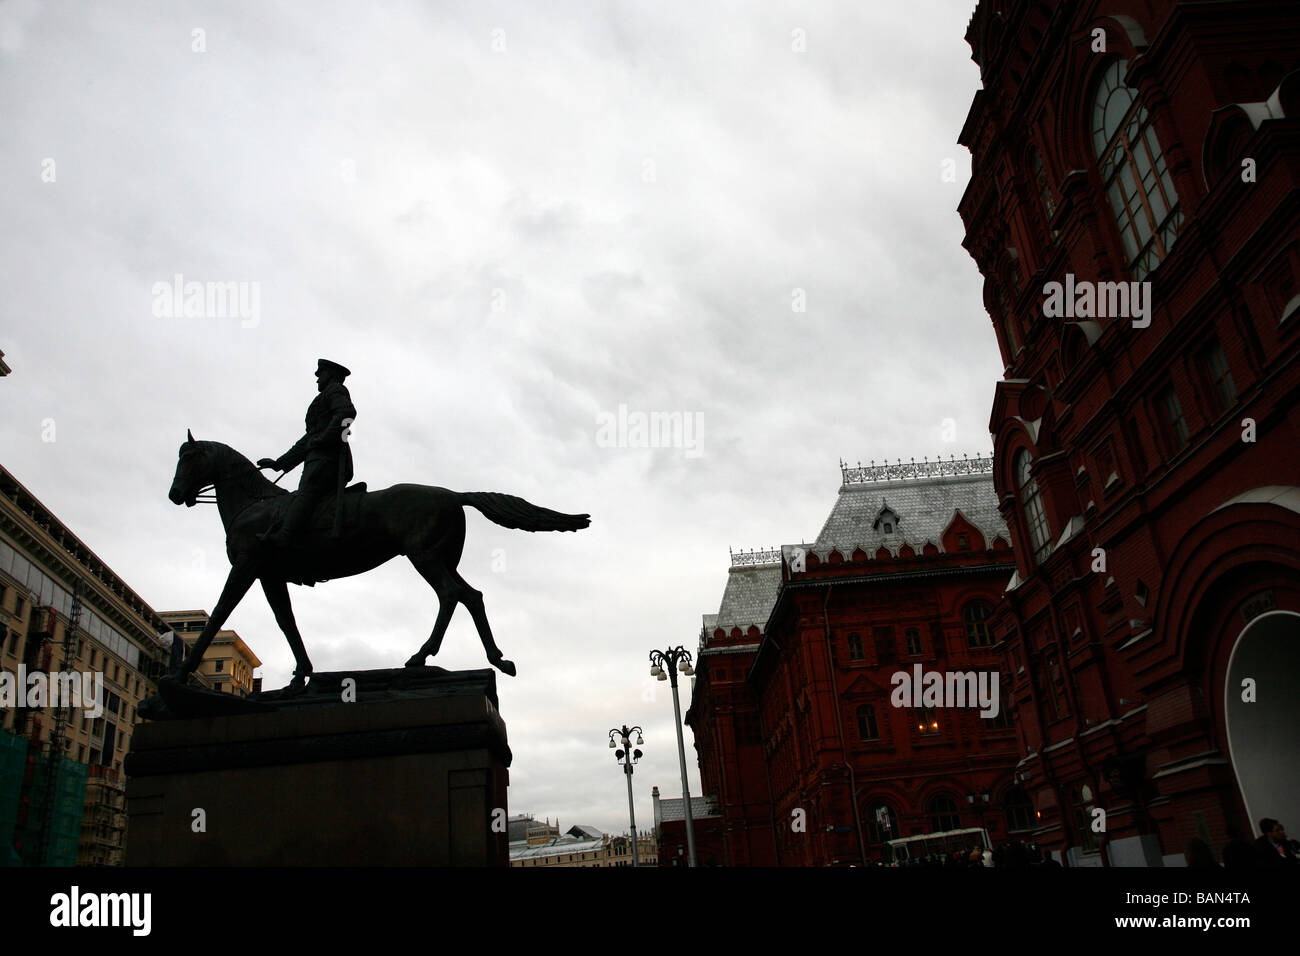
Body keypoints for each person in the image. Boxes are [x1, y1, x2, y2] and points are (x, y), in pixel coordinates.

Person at [259, 359, 357, 548]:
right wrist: (279, 463)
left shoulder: (335, 390)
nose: (317, 378)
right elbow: (309, 438)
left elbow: (346, 412)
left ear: (329, 374)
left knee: (306, 494)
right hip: (318, 459)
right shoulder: (324, 396)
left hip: (327, 461)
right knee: (304, 499)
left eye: (320, 374)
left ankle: (285, 537)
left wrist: (324, 439)